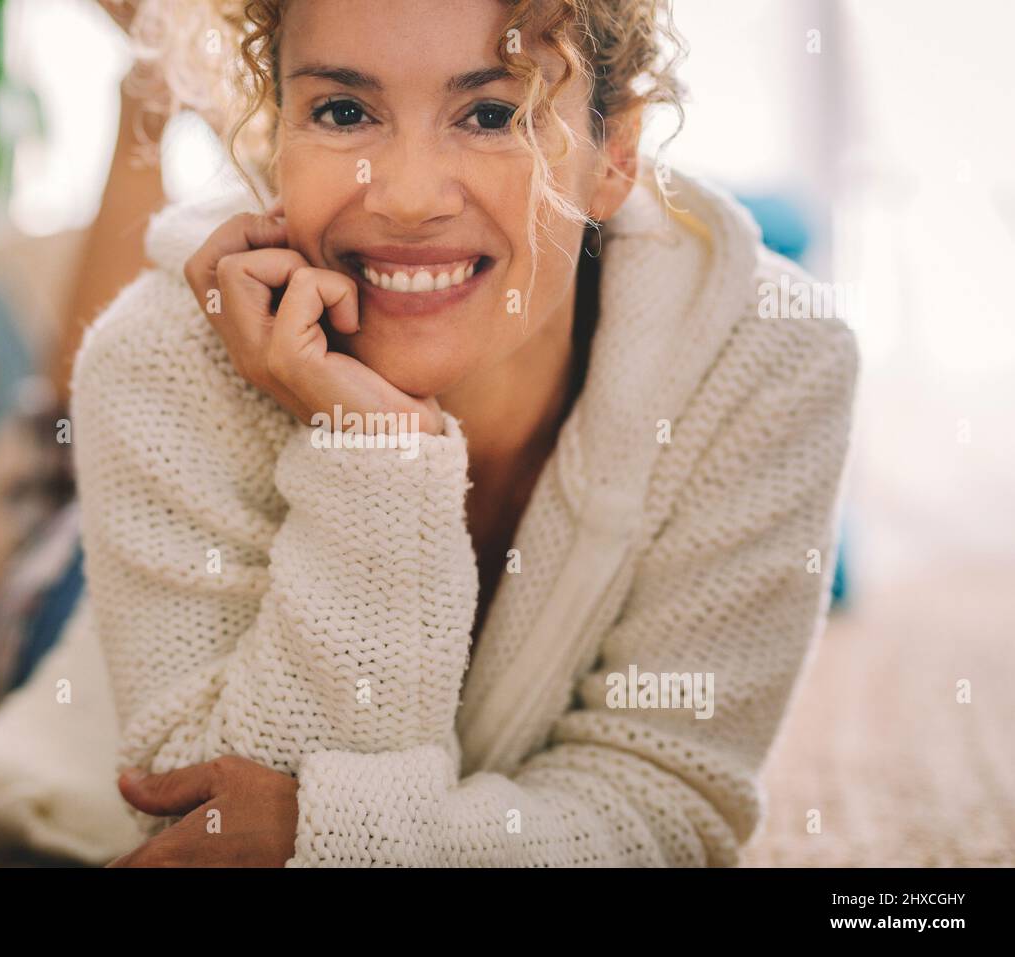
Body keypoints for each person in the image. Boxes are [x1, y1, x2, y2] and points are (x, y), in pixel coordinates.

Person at [72, 0, 859, 866]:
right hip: (84, 598)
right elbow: (202, 831)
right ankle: (151, 77)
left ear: (617, 155)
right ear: (275, 130)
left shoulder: (773, 359)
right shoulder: (156, 357)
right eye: (343, 110)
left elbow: (666, 809)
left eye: (492, 116)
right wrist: (377, 457)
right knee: (42, 534)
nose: (408, 198)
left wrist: (336, 836)